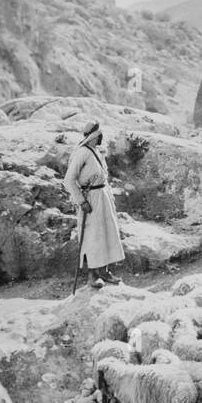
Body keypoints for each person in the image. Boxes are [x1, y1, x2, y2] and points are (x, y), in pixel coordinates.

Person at [64, 119, 125, 289]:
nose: (101, 137)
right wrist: (81, 201)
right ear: (94, 136)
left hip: (103, 196)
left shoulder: (97, 151)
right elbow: (69, 180)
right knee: (93, 236)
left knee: (106, 233)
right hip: (90, 199)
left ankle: (105, 272)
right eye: (99, 135)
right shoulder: (82, 153)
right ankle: (92, 275)